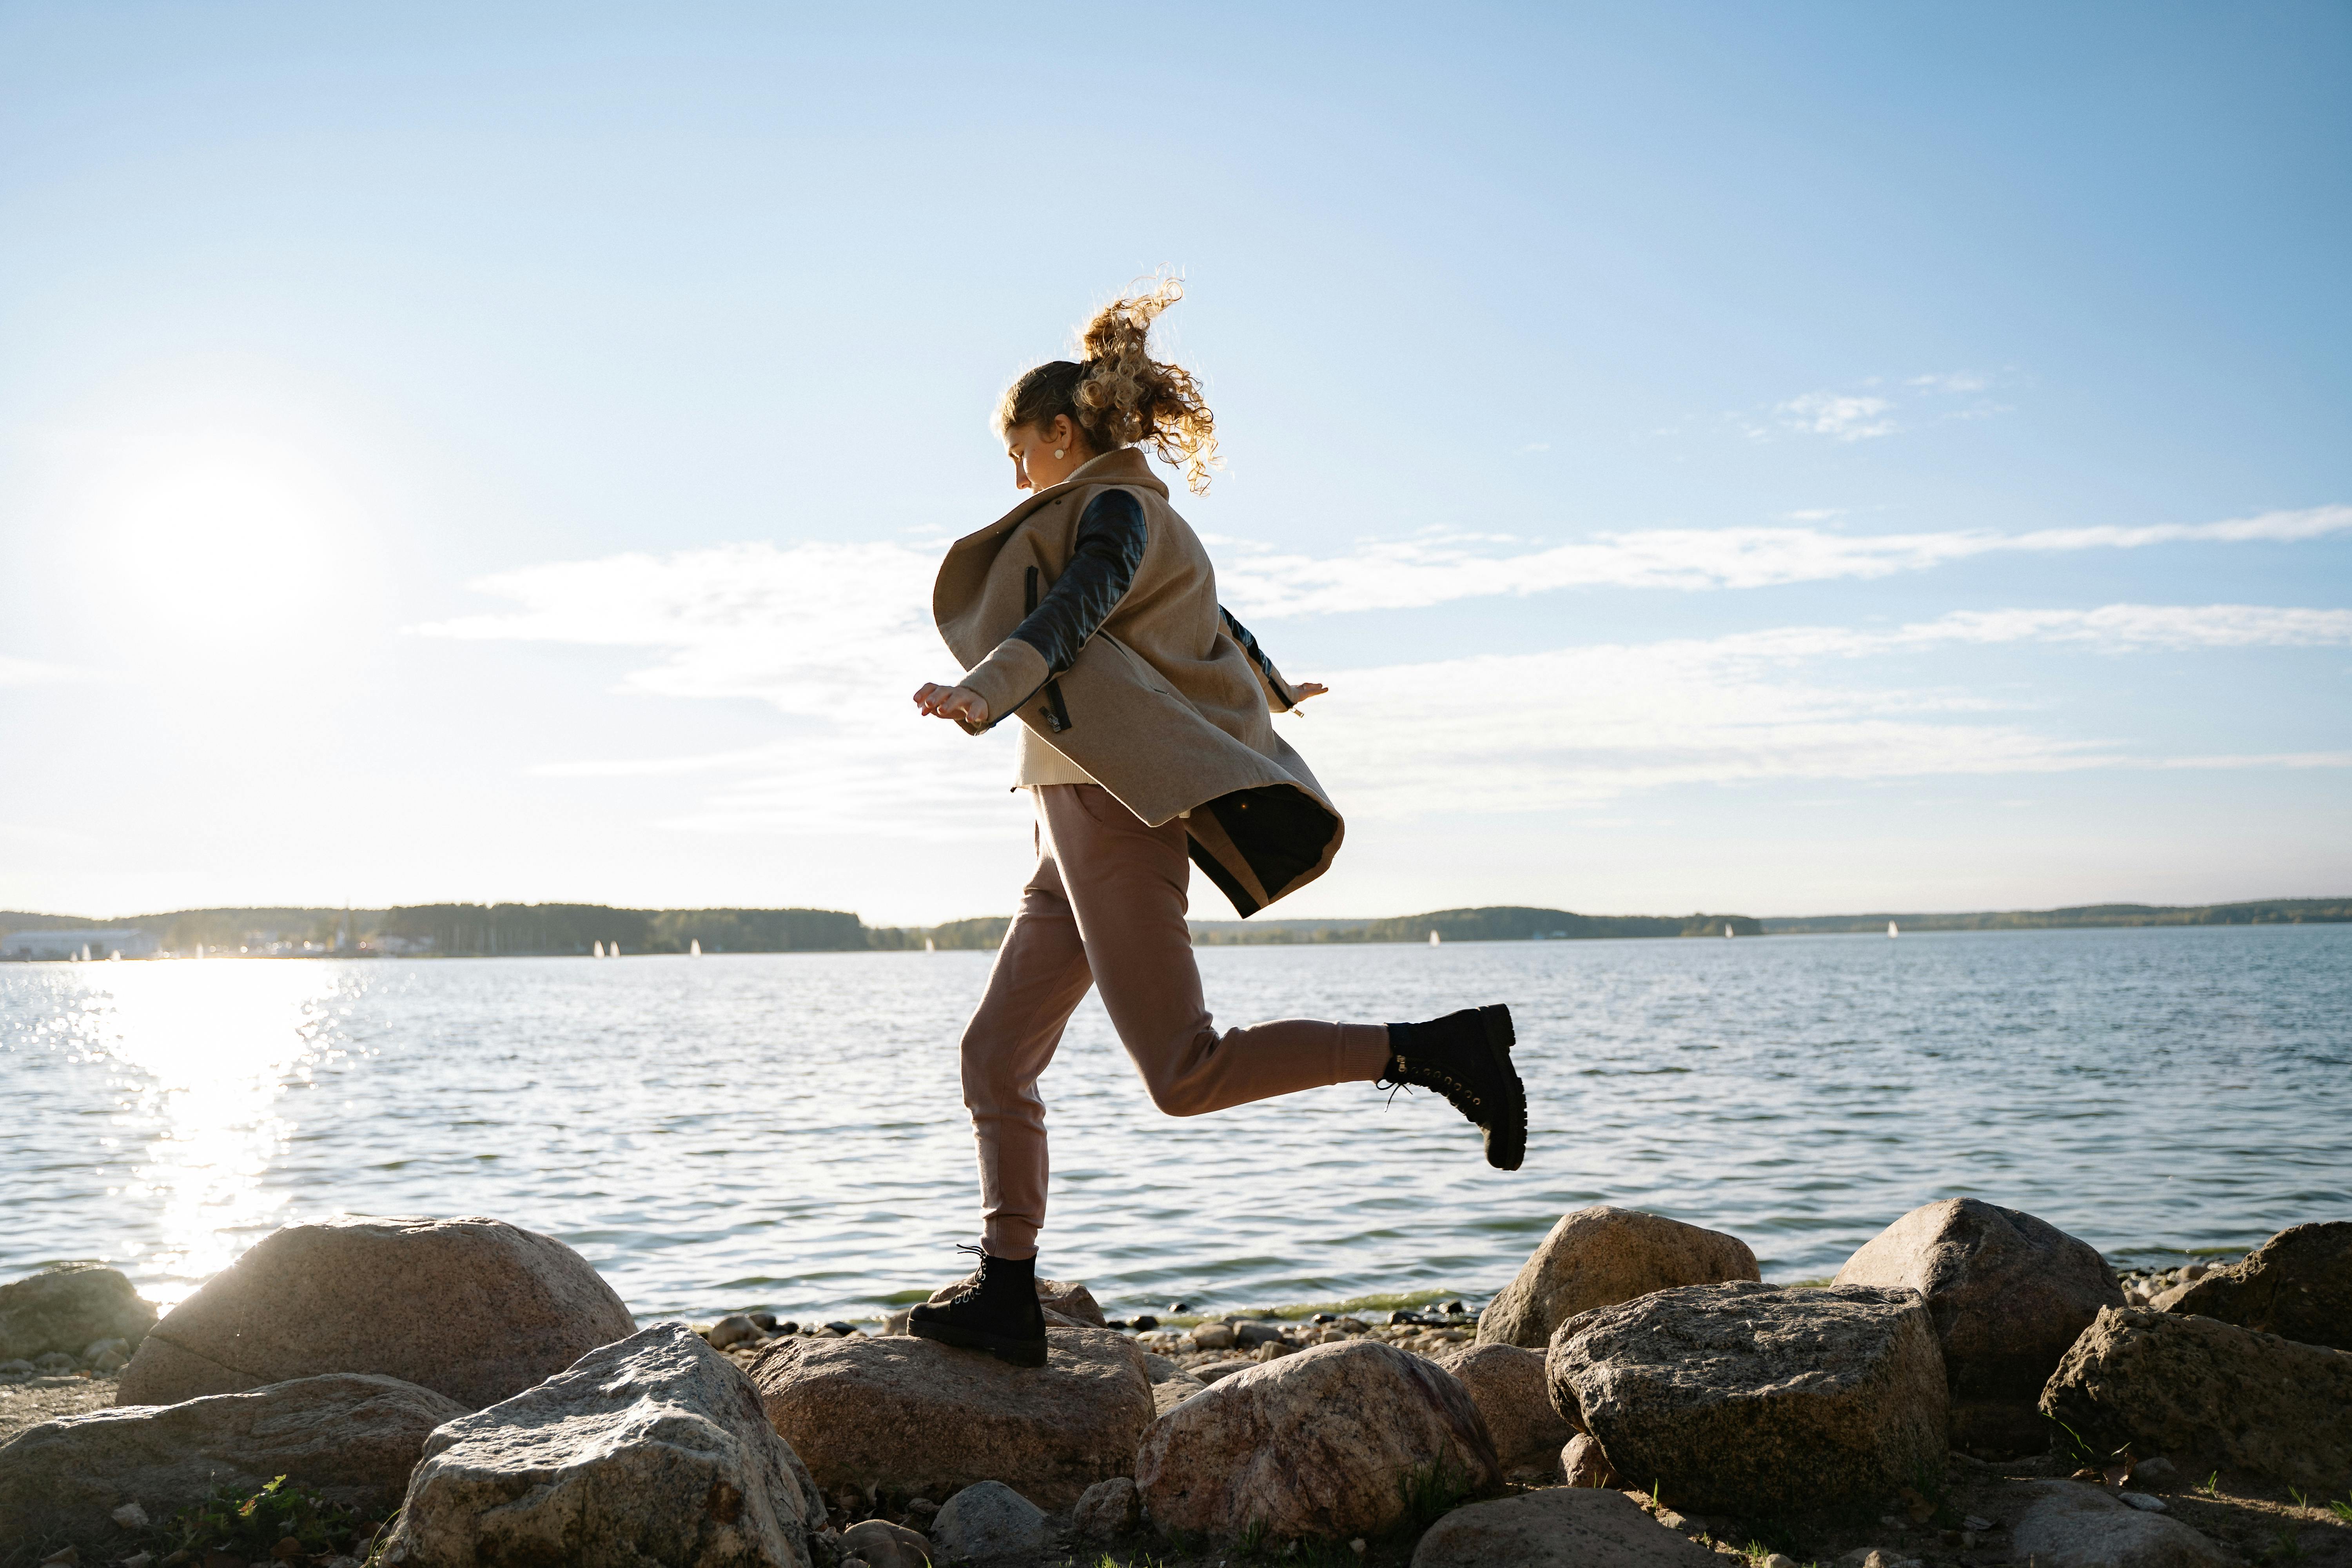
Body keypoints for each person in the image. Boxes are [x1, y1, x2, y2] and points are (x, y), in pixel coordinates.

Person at [907, 278, 1524, 1367]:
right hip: (1068, 820)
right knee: (996, 1053)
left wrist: (989, 685)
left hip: (1113, 812)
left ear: (1062, 431)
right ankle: (1008, 1292)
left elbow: (1085, 602)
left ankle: (1437, 1051)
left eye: (1020, 451)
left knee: (1184, 1072)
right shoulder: (1131, 510)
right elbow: (1202, 620)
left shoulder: (1116, 510)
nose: (1014, 476)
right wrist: (1274, 682)